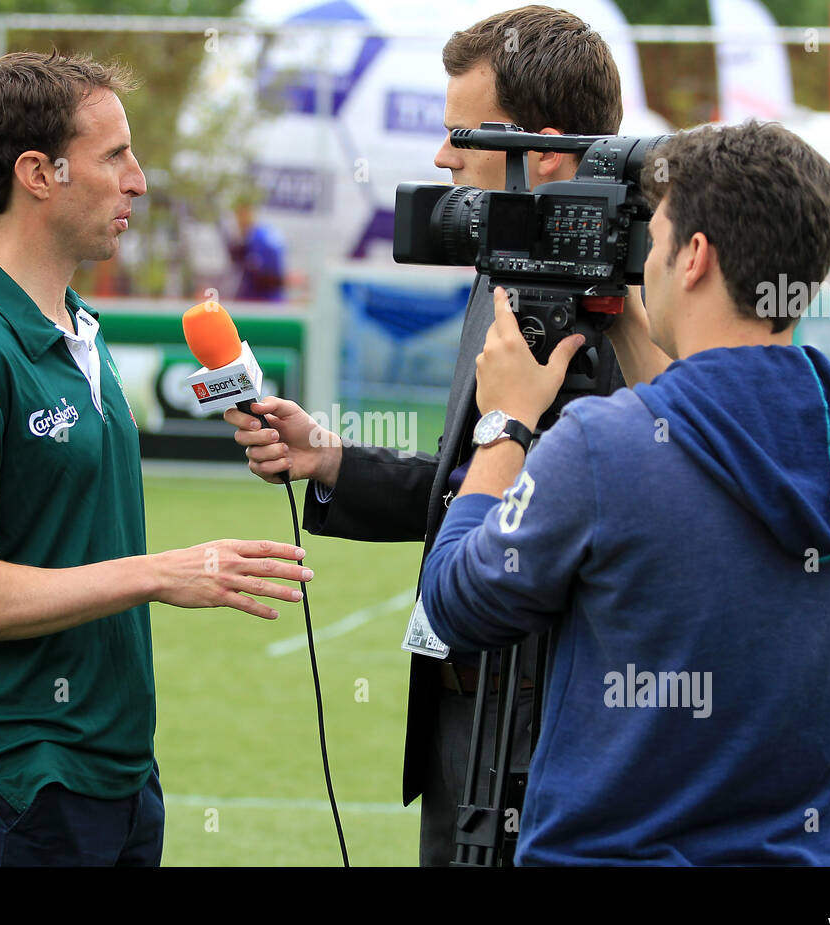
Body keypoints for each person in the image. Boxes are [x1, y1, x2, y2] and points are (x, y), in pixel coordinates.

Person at [420, 119, 830, 865]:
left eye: (651, 238)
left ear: (694, 256)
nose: (640, 256)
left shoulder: (599, 446)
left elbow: (454, 602)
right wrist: (626, 324)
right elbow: (713, 443)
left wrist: (506, 420)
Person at [0, 51, 313, 867]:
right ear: (38, 173)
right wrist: (157, 574)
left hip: (116, 772)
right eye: (115, 155)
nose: (138, 181)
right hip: (14, 783)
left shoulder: (80, 328)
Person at [223, 5, 626, 865]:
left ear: (544, 152)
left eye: (462, 136)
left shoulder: (625, 310)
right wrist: (330, 459)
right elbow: (483, 482)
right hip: (460, 717)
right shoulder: (504, 268)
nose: (441, 159)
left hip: (556, 729)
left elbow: (553, 520)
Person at [227, 201, 286, 301]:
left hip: (263, 302)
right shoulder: (258, 236)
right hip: (265, 300)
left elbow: (269, 277)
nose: (238, 220)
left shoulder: (258, 238)